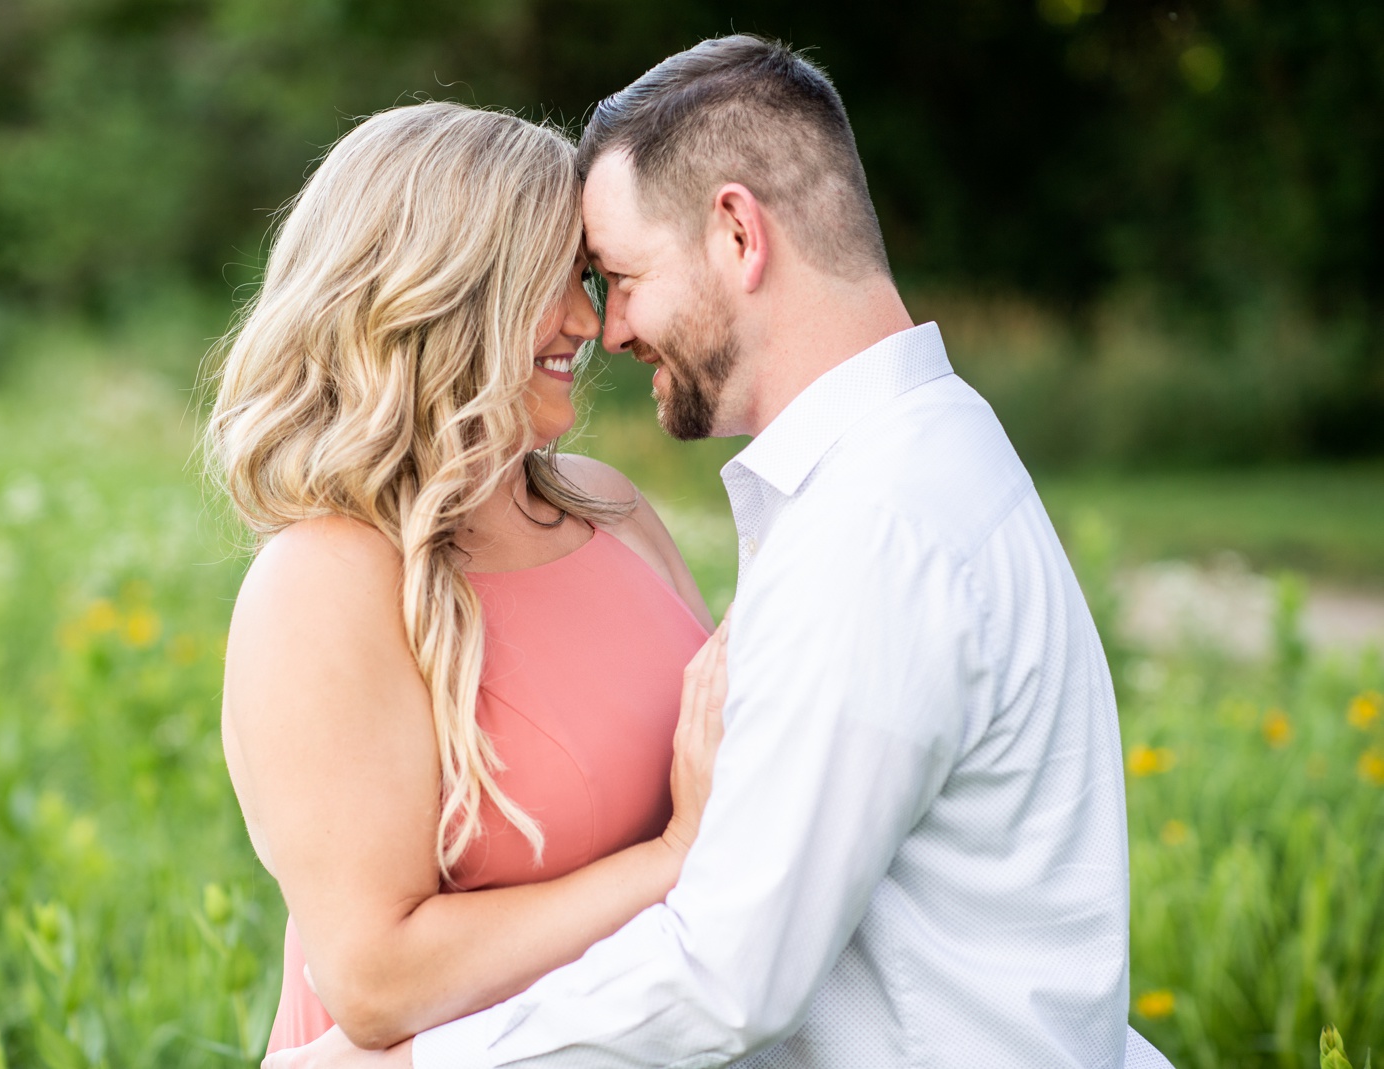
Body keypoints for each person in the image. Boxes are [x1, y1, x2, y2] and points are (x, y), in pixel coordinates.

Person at [285, 34, 1176, 1069]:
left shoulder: (870, 529)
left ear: (736, 235)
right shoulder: (925, 457)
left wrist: (402, 1065)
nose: (608, 327)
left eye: (618, 275)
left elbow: (724, 980)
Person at [207, 101, 732, 1060]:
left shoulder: (610, 508)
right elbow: (375, 979)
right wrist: (671, 864)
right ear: (438, 291)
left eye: (587, 277)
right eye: (549, 281)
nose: (594, 322)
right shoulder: (327, 579)